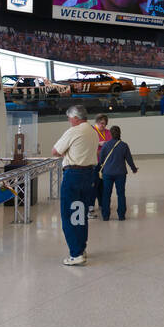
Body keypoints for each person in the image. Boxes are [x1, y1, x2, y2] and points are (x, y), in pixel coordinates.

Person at [50, 105, 96, 266]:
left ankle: (75, 253)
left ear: (76, 118)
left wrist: (66, 153)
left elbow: (55, 151)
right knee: (80, 213)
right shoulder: (92, 130)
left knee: (69, 215)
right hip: (88, 175)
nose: (69, 121)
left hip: (73, 176)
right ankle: (81, 248)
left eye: (69, 118)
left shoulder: (74, 131)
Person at [97, 126, 138, 221]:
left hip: (107, 173)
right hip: (120, 173)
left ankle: (106, 216)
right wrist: (134, 169)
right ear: (120, 133)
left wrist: (104, 167)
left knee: (106, 194)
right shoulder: (124, 145)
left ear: (110, 134)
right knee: (121, 194)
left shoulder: (106, 145)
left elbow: (101, 160)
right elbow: (129, 159)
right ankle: (121, 215)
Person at [89, 114, 109, 217]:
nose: (103, 125)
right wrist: (98, 144)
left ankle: (102, 204)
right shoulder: (92, 132)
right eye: (101, 123)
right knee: (94, 185)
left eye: (105, 124)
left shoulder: (108, 132)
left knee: (103, 185)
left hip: (105, 163)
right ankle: (91, 205)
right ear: (96, 122)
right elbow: (87, 145)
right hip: (94, 163)